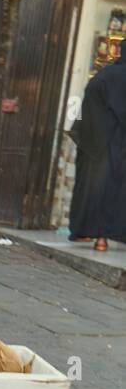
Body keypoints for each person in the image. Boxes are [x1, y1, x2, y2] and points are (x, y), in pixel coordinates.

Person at [69, 51, 126, 252]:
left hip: (98, 144)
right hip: (120, 147)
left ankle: (96, 238)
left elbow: (89, 107)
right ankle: (106, 236)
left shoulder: (103, 76)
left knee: (96, 191)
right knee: (116, 193)